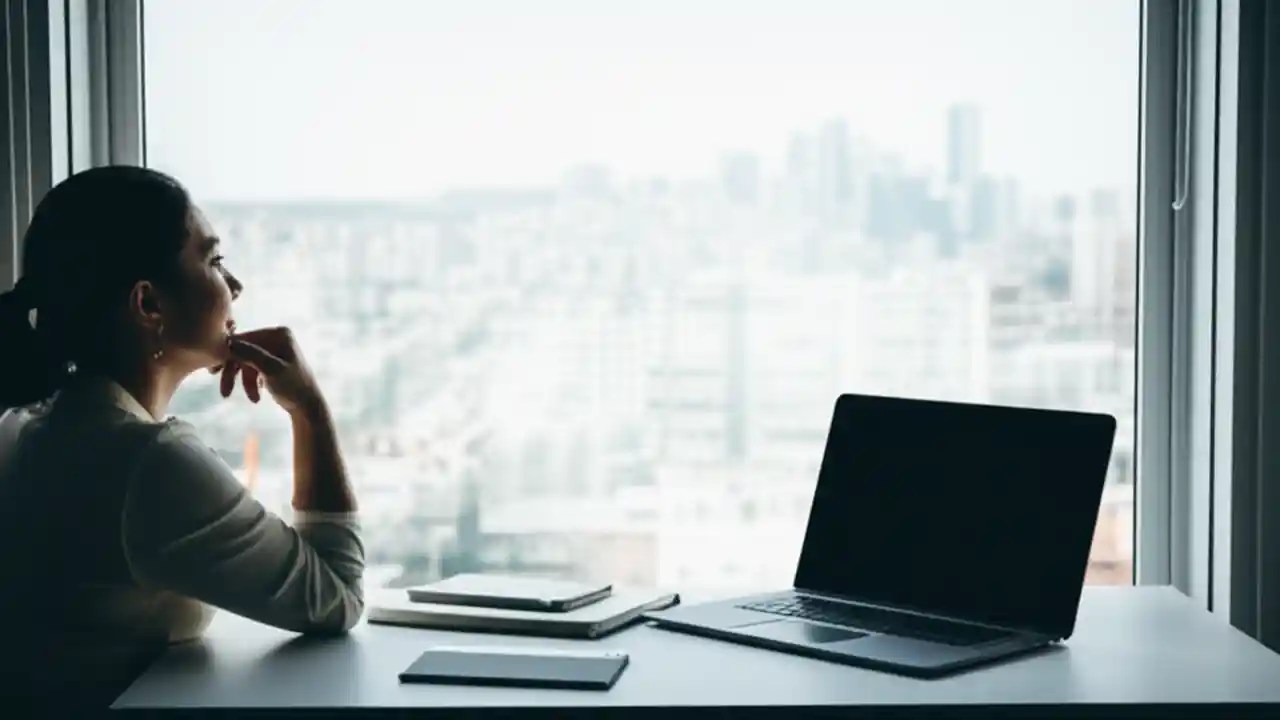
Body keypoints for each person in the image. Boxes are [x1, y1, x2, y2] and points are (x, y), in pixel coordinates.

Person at [0, 166, 364, 712]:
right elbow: (338, 597)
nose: (234, 286)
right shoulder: (151, 464)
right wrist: (308, 409)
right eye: (213, 262)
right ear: (148, 305)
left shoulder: (23, 430)